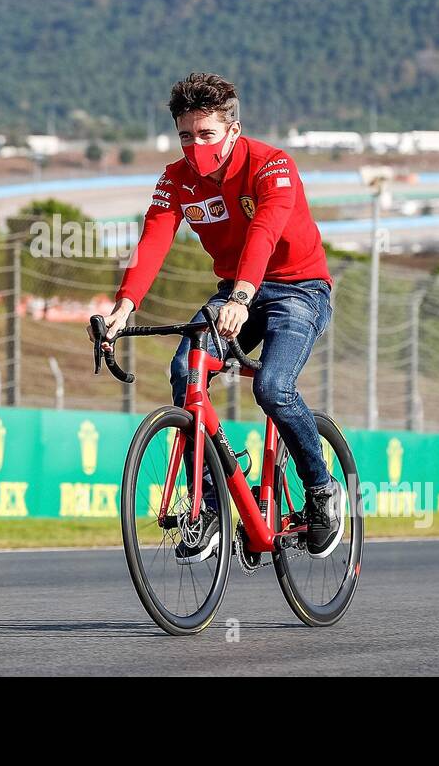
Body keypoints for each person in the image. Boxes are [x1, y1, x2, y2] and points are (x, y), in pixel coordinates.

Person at [91, 72, 342, 562]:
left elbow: (265, 232)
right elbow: (154, 239)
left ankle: (321, 487)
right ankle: (207, 509)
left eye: (206, 134)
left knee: (271, 387)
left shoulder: (273, 165)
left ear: (233, 129)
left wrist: (244, 294)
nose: (195, 145)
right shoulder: (176, 179)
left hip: (298, 290)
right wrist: (124, 306)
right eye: (186, 135)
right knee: (185, 370)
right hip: (234, 293)